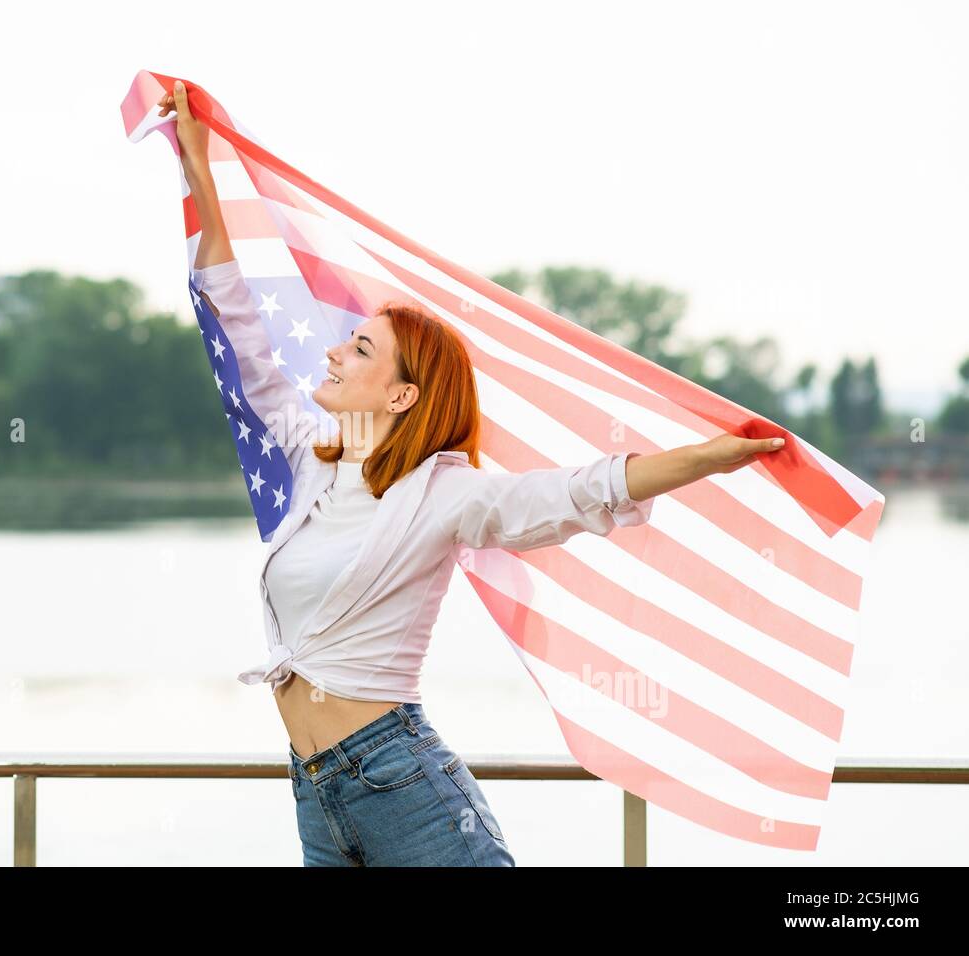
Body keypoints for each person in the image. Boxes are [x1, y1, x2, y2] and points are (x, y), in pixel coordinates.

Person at [158, 81, 786, 866]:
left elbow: (578, 493)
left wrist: (714, 455)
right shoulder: (308, 459)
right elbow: (237, 322)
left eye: (358, 349)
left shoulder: (444, 495)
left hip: (405, 790)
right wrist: (202, 174)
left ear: (402, 394)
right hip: (317, 793)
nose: (331, 352)